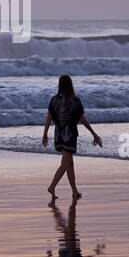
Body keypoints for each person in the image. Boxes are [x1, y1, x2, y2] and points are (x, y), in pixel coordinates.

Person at [41, 74, 102, 202]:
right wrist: (93, 133)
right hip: (70, 135)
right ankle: (52, 187)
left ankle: (74, 191)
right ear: (70, 85)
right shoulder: (75, 100)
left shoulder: (54, 100)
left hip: (58, 134)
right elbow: (82, 119)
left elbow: (49, 118)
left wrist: (45, 134)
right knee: (66, 162)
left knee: (69, 162)